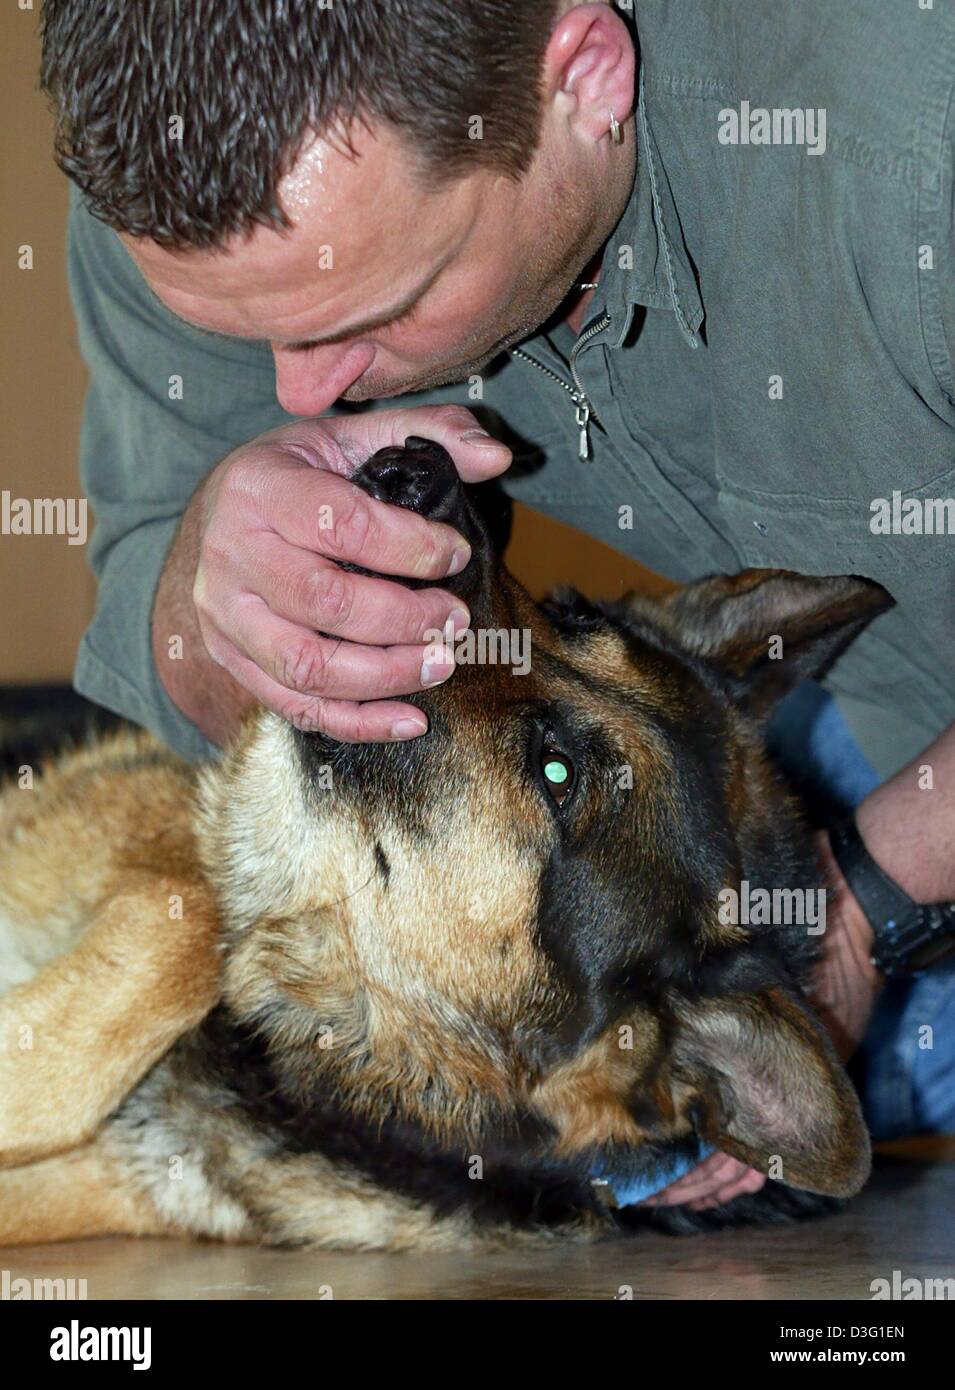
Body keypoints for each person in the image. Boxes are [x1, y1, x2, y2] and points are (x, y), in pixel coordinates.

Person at [40, 0, 955, 1209]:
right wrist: (223, 582)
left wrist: (861, 904)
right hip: (813, 749)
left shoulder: (910, 136)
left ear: (584, 73)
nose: (301, 390)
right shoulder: (209, 174)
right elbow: (169, 652)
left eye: (377, 309)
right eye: (239, 330)